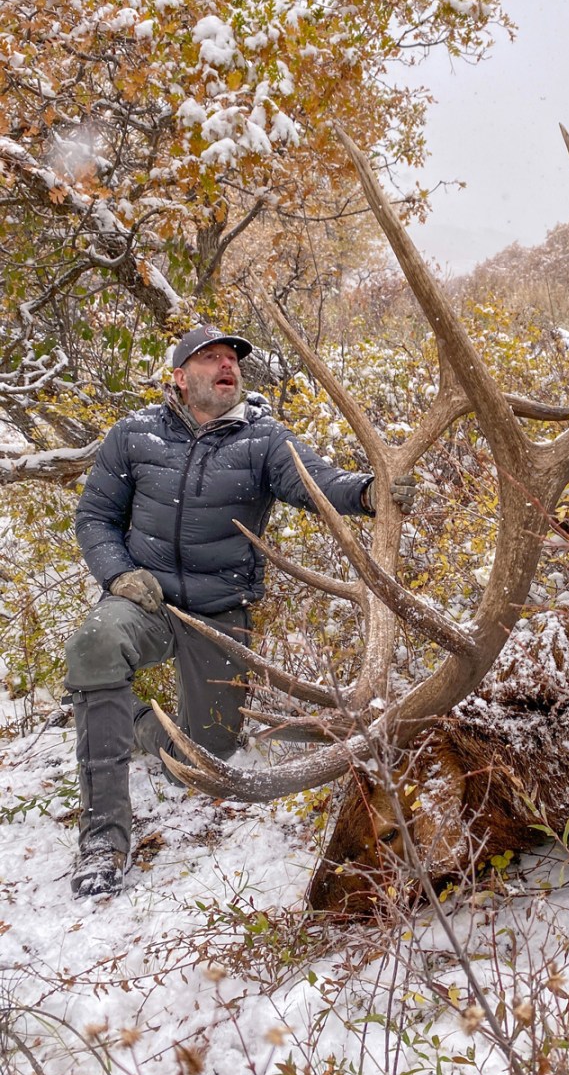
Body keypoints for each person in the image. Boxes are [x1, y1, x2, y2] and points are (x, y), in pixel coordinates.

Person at [64, 324, 415, 898]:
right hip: (144, 599)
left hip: (221, 613)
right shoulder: (133, 435)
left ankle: (124, 718)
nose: (227, 366)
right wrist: (119, 575)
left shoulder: (264, 440)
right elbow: (94, 517)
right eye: (210, 358)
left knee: (209, 753)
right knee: (94, 646)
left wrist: (372, 493)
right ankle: (104, 839)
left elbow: (320, 484)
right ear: (180, 377)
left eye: (232, 359)